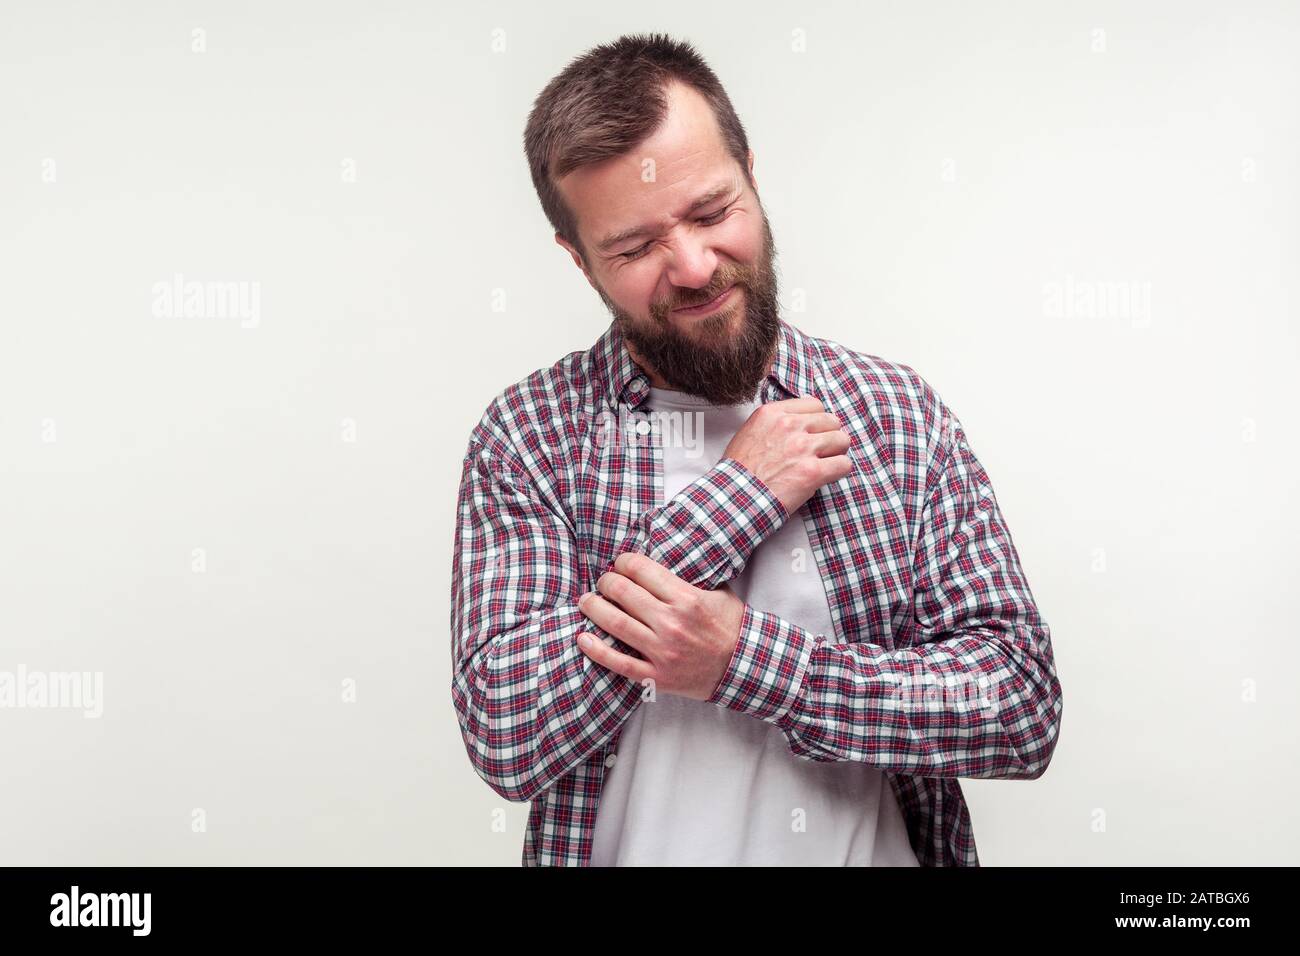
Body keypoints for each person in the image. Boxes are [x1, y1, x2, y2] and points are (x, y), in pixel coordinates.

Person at [450, 33, 1063, 866]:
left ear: (752, 175)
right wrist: (739, 497)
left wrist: (748, 664)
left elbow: (1019, 710)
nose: (693, 266)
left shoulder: (893, 414)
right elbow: (507, 734)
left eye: (712, 213)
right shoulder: (530, 435)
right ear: (579, 260)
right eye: (635, 248)